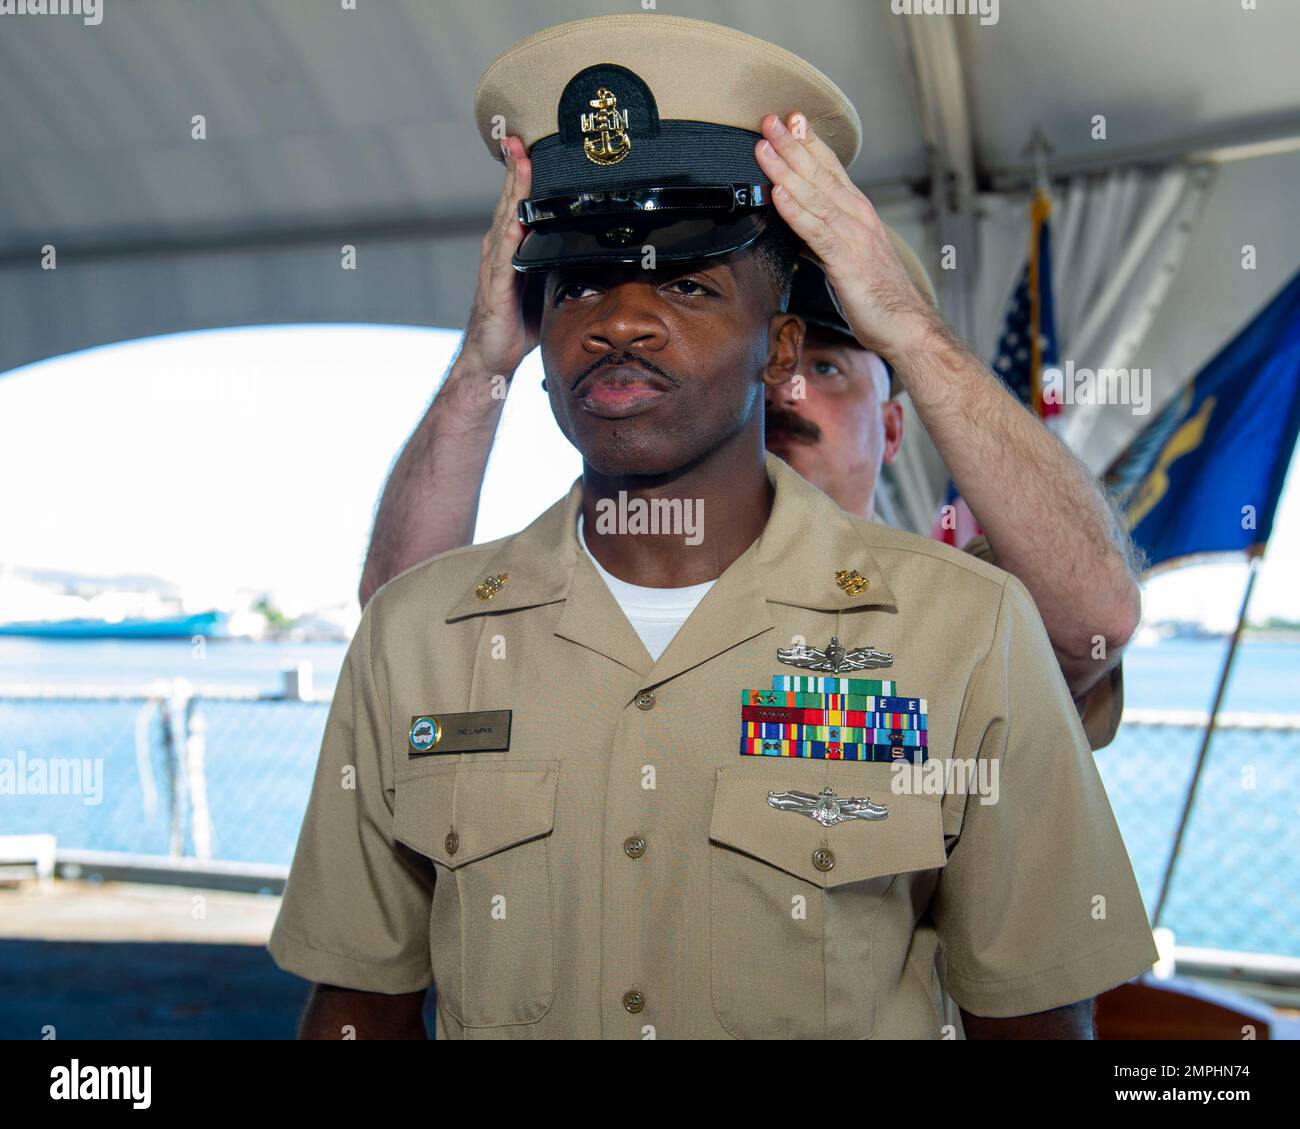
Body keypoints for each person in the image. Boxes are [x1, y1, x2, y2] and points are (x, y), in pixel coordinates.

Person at [269, 12, 1157, 1039]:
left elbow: (1092, 619)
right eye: (581, 285)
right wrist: (482, 363)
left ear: (773, 350)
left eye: (689, 284)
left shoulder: (964, 625)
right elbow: (407, 636)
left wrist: (910, 329)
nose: (623, 321)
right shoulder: (436, 628)